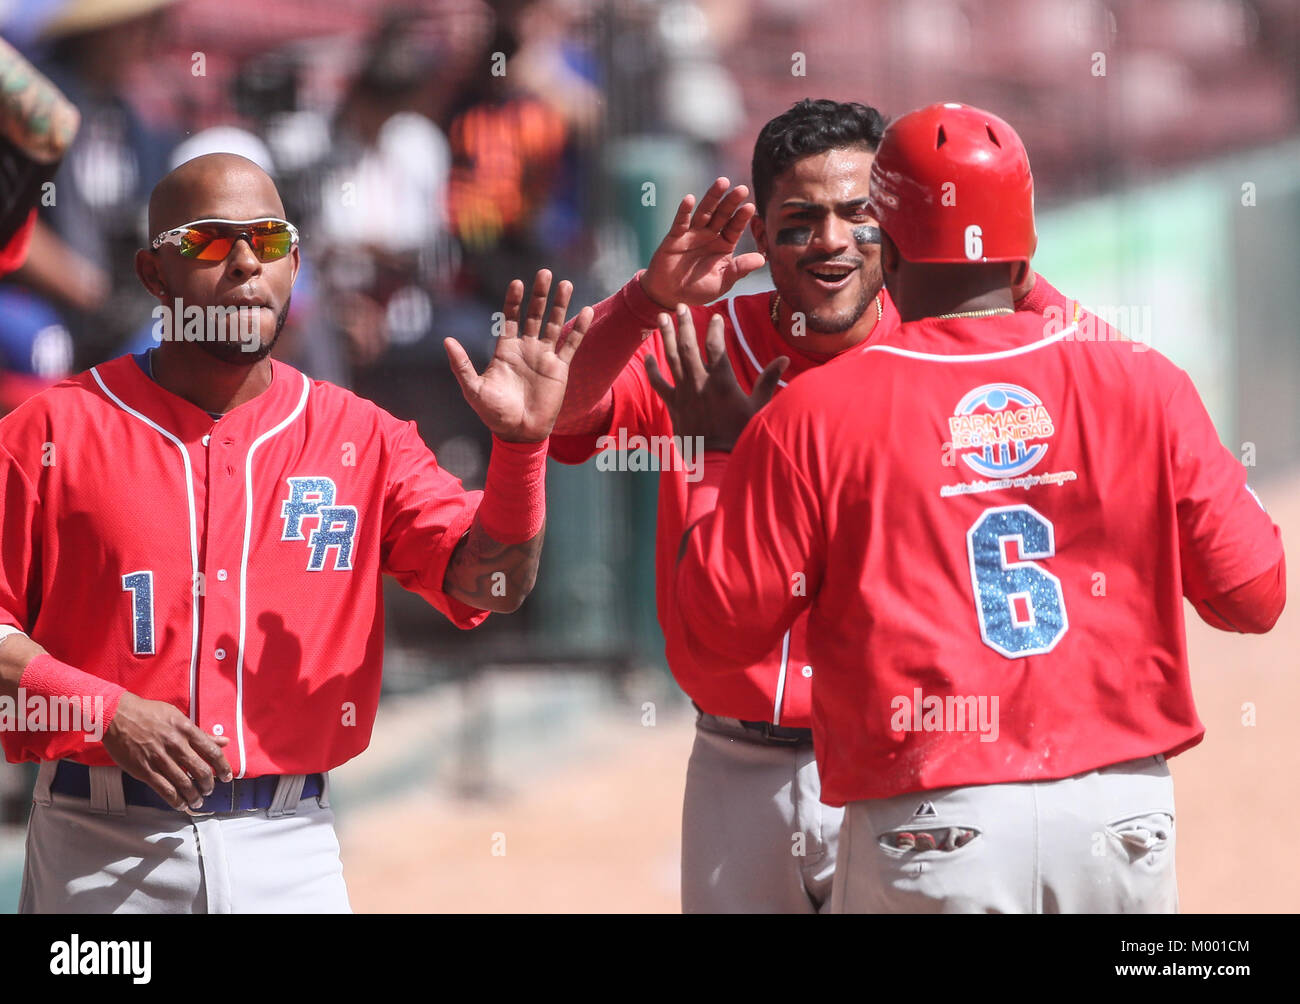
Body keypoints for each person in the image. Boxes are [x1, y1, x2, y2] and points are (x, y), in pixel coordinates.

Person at [656, 102, 1286, 913]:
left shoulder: (817, 411)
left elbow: (718, 636)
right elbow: (1254, 595)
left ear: (891, 245)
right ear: (1026, 249)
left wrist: (715, 459)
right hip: (1120, 818)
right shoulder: (1143, 381)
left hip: (933, 824)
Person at [0, 152, 592, 913]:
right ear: (155, 274)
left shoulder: (365, 437)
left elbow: (495, 585)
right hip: (98, 843)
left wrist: (520, 453)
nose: (247, 263)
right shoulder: (54, 428)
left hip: (289, 848)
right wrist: (101, 709)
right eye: (211, 241)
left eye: (269, 241)